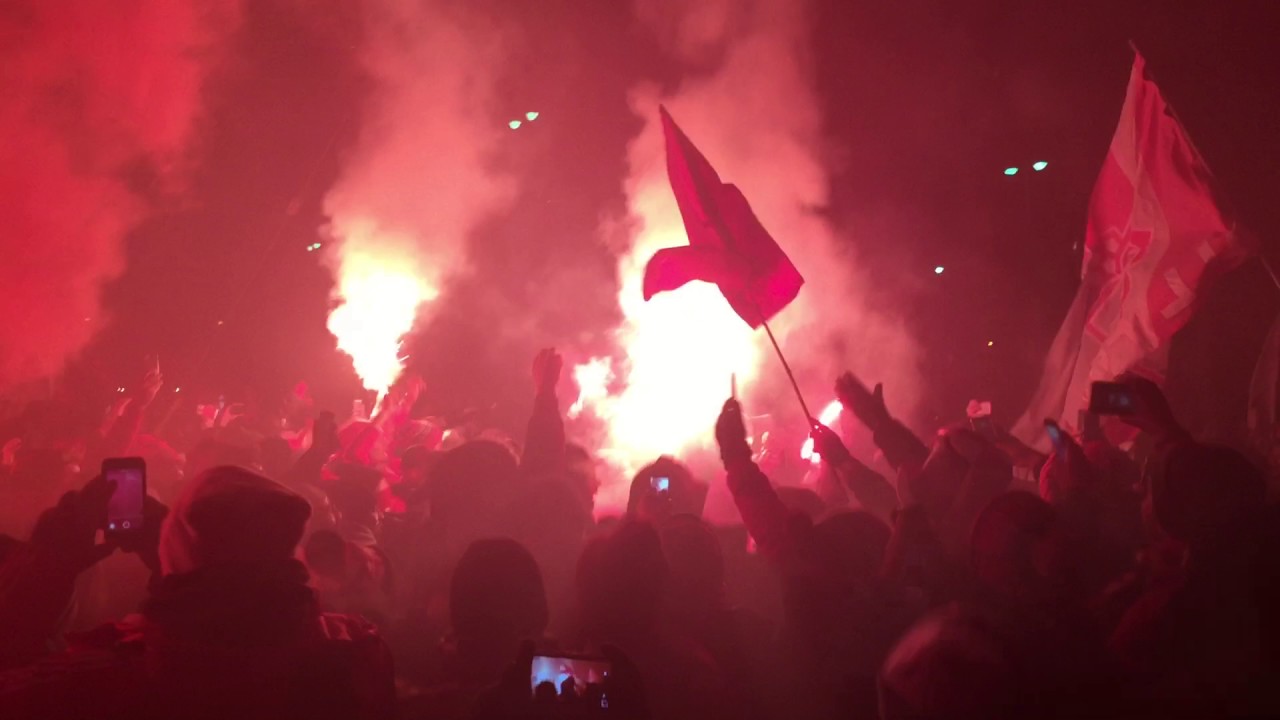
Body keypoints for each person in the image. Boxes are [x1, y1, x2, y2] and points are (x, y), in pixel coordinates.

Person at [0, 466, 396, 720]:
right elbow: (233, 607)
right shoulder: (357, 654)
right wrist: (179, 557)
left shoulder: (105, 686)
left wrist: (50, 559)